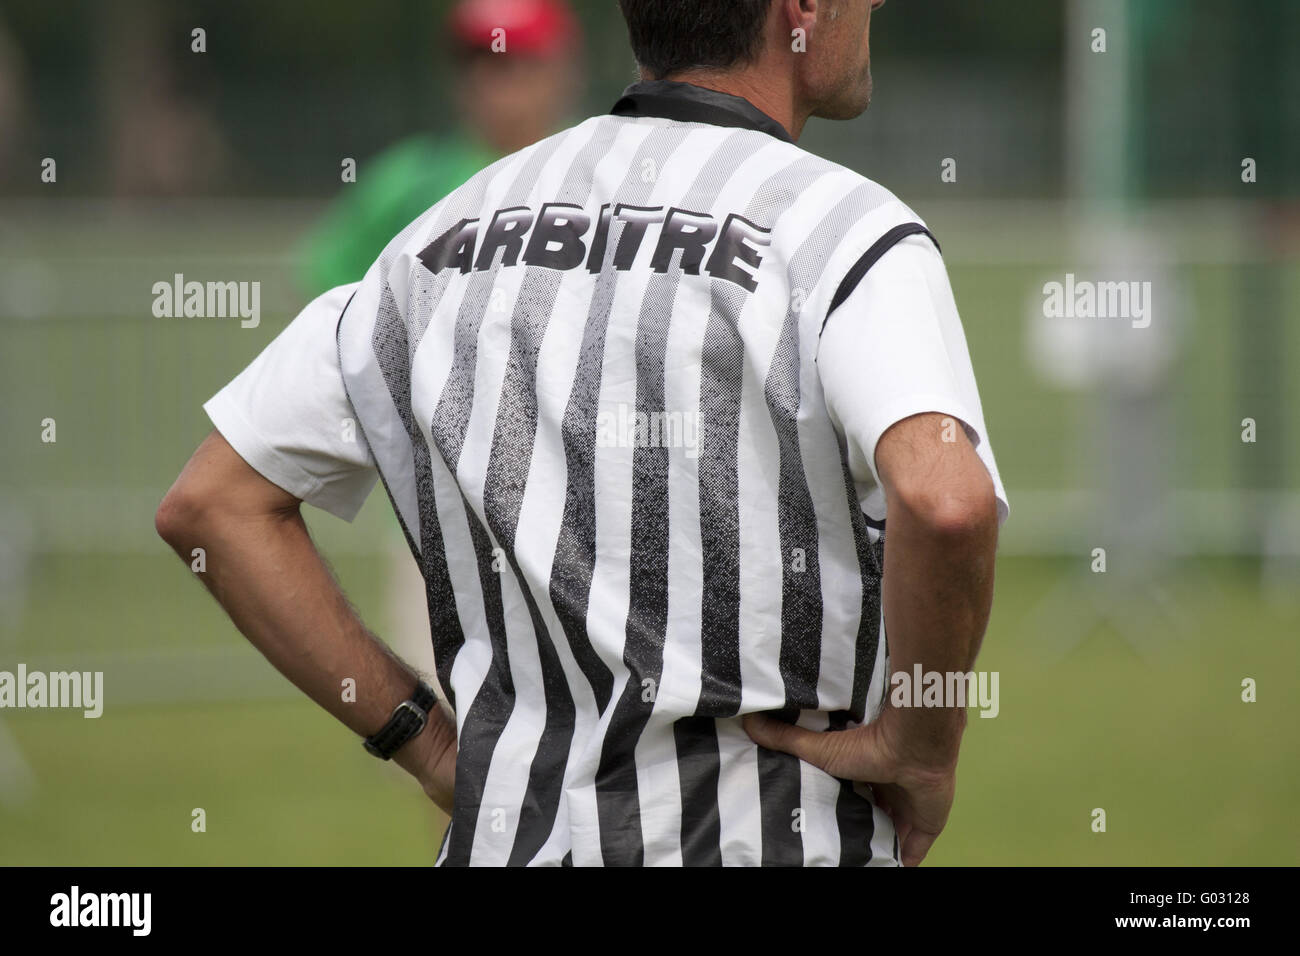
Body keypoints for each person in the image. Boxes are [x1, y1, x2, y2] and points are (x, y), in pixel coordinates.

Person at [157, 0, 1008, 867]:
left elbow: (213, 504)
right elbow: (946, 501)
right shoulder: (845, 232)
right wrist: (923, 742)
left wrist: (425, 743)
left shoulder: (442, 234)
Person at [297, 0, 582, 296]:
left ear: (561, 68)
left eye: (508, 61)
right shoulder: (408, 179)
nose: (485, 78)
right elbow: (331, 292)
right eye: (471, 59)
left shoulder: (597, 167)